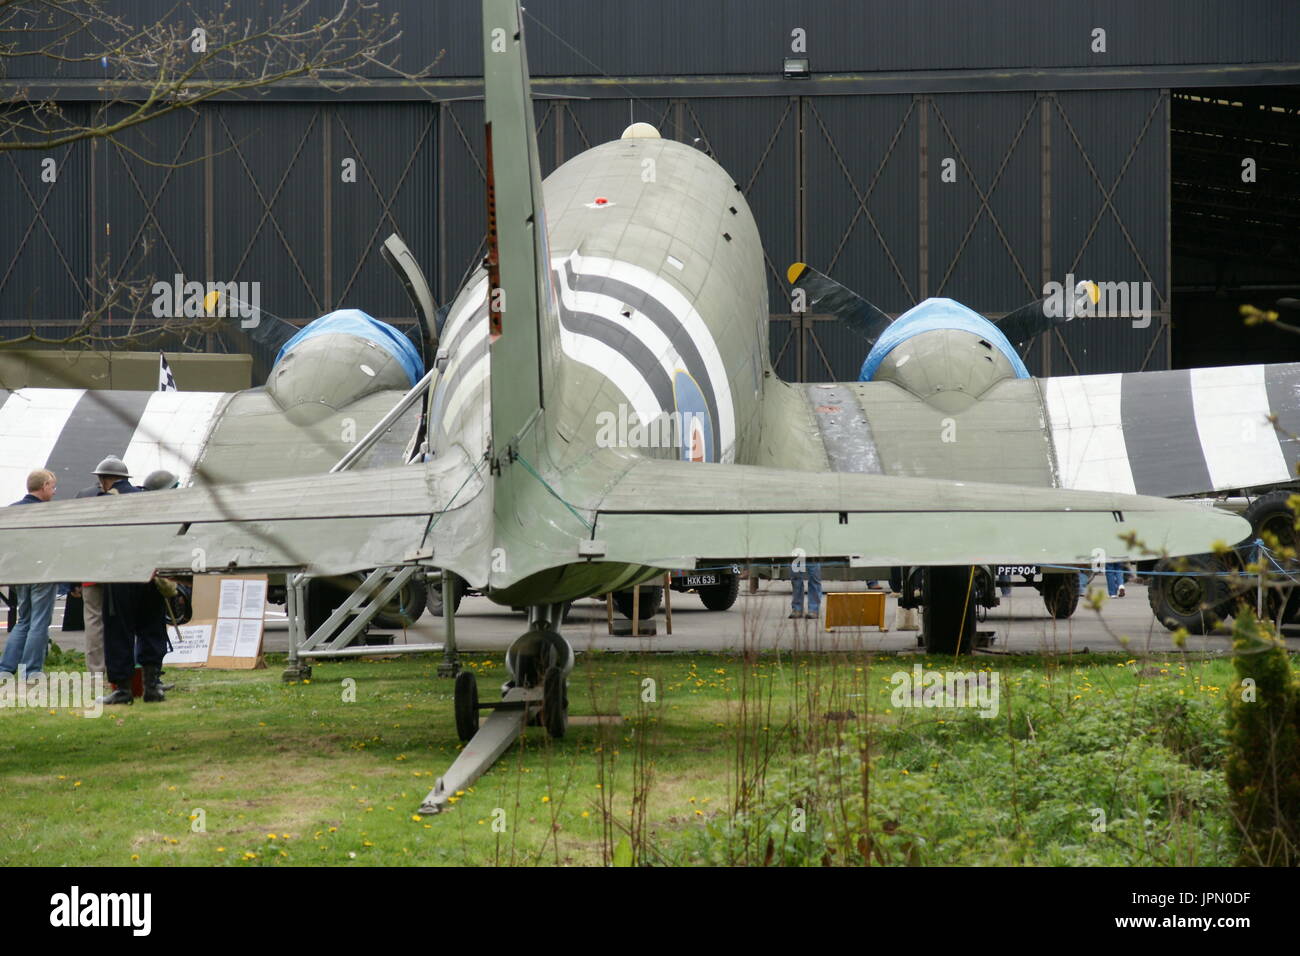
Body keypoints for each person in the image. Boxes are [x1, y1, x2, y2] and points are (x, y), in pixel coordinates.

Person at [93, 457, 169, 705]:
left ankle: (123, 690)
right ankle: (152, 686)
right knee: (151, 628)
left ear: (105, 479)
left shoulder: (104, 502)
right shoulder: (148, 498)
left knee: (119, 632)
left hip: (120, 575)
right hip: (148, 573)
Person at [0, 470, 58, 679]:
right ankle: (31, 671)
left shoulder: (12, 511)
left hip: (20, 573)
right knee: (39, 622)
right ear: (43, 486)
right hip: (42, 572)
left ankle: (5, 668)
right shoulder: (49, 512)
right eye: (52, 487)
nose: (54, 491)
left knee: (23, 619)